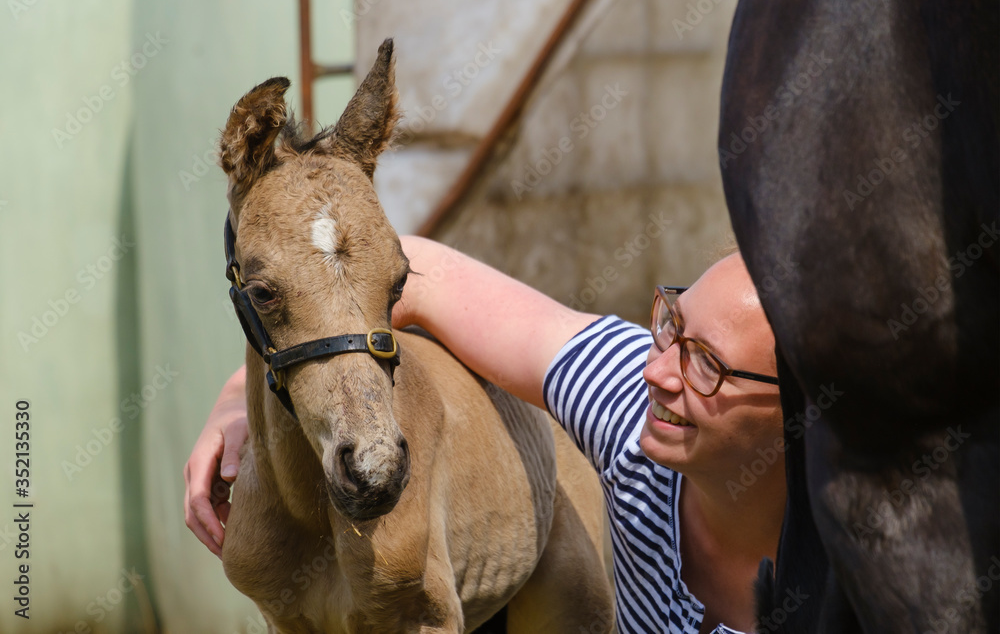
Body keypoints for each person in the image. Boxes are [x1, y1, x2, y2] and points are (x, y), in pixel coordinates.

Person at [185, 235, 786, 634]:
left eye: (705, 362)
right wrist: (246, 398)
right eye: (671, 325)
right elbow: (401, 271)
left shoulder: (861, 562)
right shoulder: (628, 404)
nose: (657, 370)